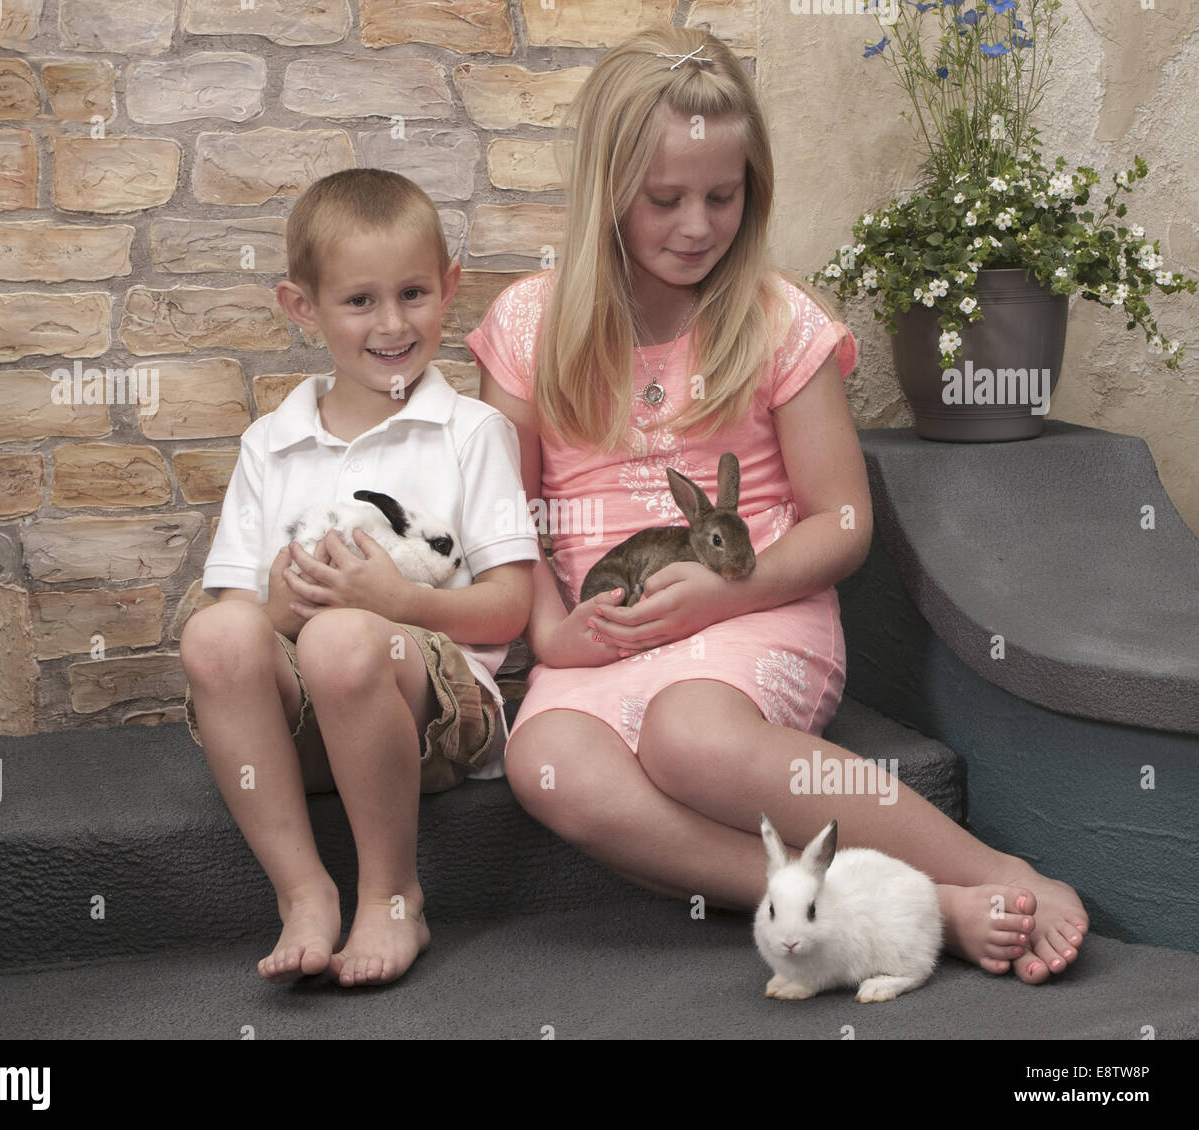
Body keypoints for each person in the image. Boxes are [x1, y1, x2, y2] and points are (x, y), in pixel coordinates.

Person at [466, 29, 1089, 985]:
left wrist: (720, 597)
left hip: (755, 609)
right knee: (545, 761)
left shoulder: (776, 317)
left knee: (688, 735)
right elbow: (502, 515)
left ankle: (989, 874)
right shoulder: (528, 324)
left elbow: (844, 523)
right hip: (602, 632)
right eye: (664, 199)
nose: (697, 225)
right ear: (604, 195)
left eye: (725, 195)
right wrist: (549, 634)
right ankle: (851, 910)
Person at [180, 169, 537, 986]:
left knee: (345, 638)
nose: (392, 323)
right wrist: (275, 605)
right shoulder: (272, 442)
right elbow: (241, 615)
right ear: (302, 308)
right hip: (308, 727)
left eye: (414, 293)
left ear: (450, 288)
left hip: (434, 720)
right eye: (358, 301)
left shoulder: (471, 432)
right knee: (215, 634)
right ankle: (303, 890)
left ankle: (390, 894)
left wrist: (398, 604)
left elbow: (510, 608)